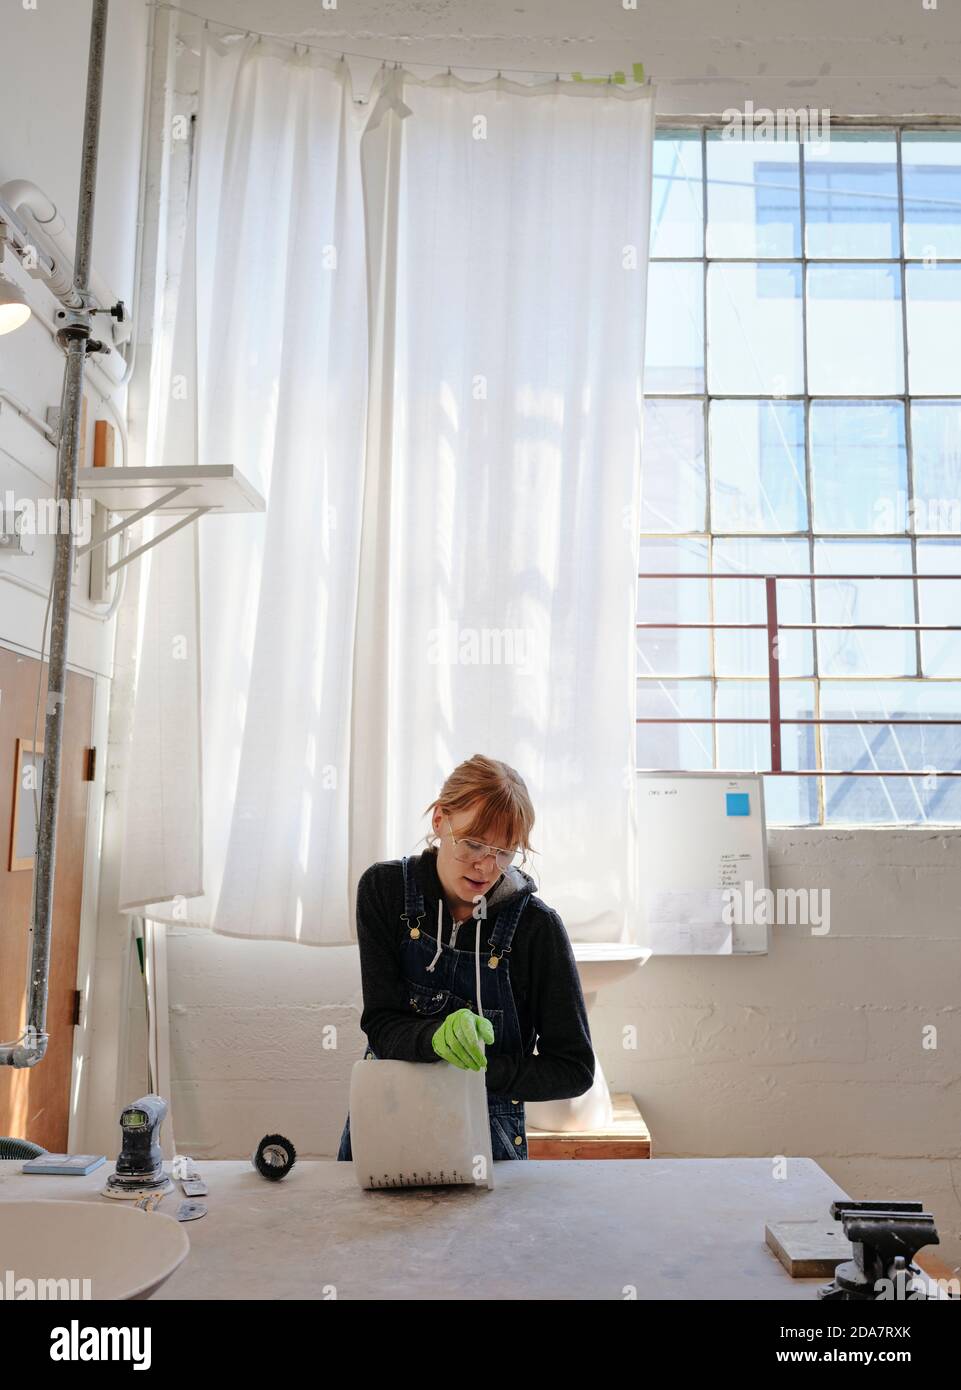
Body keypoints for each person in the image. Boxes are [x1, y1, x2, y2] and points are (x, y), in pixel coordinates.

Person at [337, 754, 595, 1162]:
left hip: (487, 1136)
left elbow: (574, 1069)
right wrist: (434, 1039)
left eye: (505, 852)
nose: (486, 866)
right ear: (440, 820)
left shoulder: (537, 928)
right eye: (473, 843)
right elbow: (381, 1023)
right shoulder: (382, 890)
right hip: (388, 1120)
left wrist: (478, 1072)